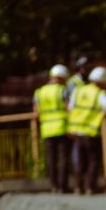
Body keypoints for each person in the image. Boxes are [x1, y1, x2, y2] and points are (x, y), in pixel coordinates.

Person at [67, 66, 106, 194]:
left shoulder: (78, 91)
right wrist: (99, 116)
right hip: (91, 131)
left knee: (79, 160)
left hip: (76, 130)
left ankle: (78, 187)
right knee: (93, 160)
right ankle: (89, 187)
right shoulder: (99, 93)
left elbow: (70, 108)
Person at [33, 64, 70, 192]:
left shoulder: (39, 92)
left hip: (47, 129)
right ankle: (62, 186)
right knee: (63, 159)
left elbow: (36, 112)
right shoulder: (62, 90)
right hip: (61, 127)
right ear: (60, 78)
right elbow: (68, 108)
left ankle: (53, 186)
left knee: (51, 160)